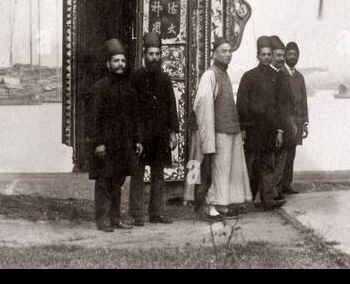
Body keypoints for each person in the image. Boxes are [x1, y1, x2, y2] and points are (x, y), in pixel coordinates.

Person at [186, 37, 251, 221]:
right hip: (217, 132)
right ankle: (210, 205)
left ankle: (222, 204)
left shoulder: (224, 73)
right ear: (214, 53)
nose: (228, 54)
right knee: (215, 171)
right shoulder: (210, 75)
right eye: (224, 51)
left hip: (229, 131)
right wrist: (208, 138)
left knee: (226, 171)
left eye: (230, 51)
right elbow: (204, 106)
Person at [130, 32, 180, 225]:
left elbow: (171, 106)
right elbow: (131, 109)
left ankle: (156, 213)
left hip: (160, 135)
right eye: (151, 54)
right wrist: (135, 136)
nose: (154, 58)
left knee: (158, 175)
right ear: (144, 54)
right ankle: (136, 215)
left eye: (157, 54)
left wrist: (173, 132)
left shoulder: (165, 79)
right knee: (138, 175)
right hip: (142, 136)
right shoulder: (135, 78)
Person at [88, 39, 136, 231]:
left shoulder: (127, 87)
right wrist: (98, 143)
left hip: (122, 143)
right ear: (108, 64)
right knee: (104, 181)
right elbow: (93, 118)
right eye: (116, 61)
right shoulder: (99, 87)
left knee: (118, 180)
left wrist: (136, 140)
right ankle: (103, 219)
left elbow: (132, 117)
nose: (120, 65)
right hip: (105, 144)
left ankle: (115, 218)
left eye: (123, 61)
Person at [238, 35, 286, 210]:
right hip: (252, 131)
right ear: (257, 56)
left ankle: (267, 200)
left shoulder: (277, 77)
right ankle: (245, 201)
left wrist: (280, 130)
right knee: (250, 166)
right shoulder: (248, 76)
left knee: (268, 165)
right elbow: (241, 104)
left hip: (270, 131)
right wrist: (243, 128)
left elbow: (280, 106)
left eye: (268, 54)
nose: (266, 57)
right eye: (263, 54)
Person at [281, 41, 309, 195]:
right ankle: (277, 186)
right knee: (281, 154)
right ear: (285, 55)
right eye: (290, 54)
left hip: (297, 122)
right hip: (284, 122)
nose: (293, 57)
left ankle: (287, 185)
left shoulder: (300, 77)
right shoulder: (280, 74)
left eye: (295, 55)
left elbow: (304, 100)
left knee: (291, 153)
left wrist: (304, 123)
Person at [269, 36, 294, 197]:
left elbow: (287, 103)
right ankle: (268, 193)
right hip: (269, 128)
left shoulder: (283, 76)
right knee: (269, 163)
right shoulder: (263, 75)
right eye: (278, 56)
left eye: (282, 56)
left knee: (280, 161)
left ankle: (274, 191)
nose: (281, 59)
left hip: (282, 127)